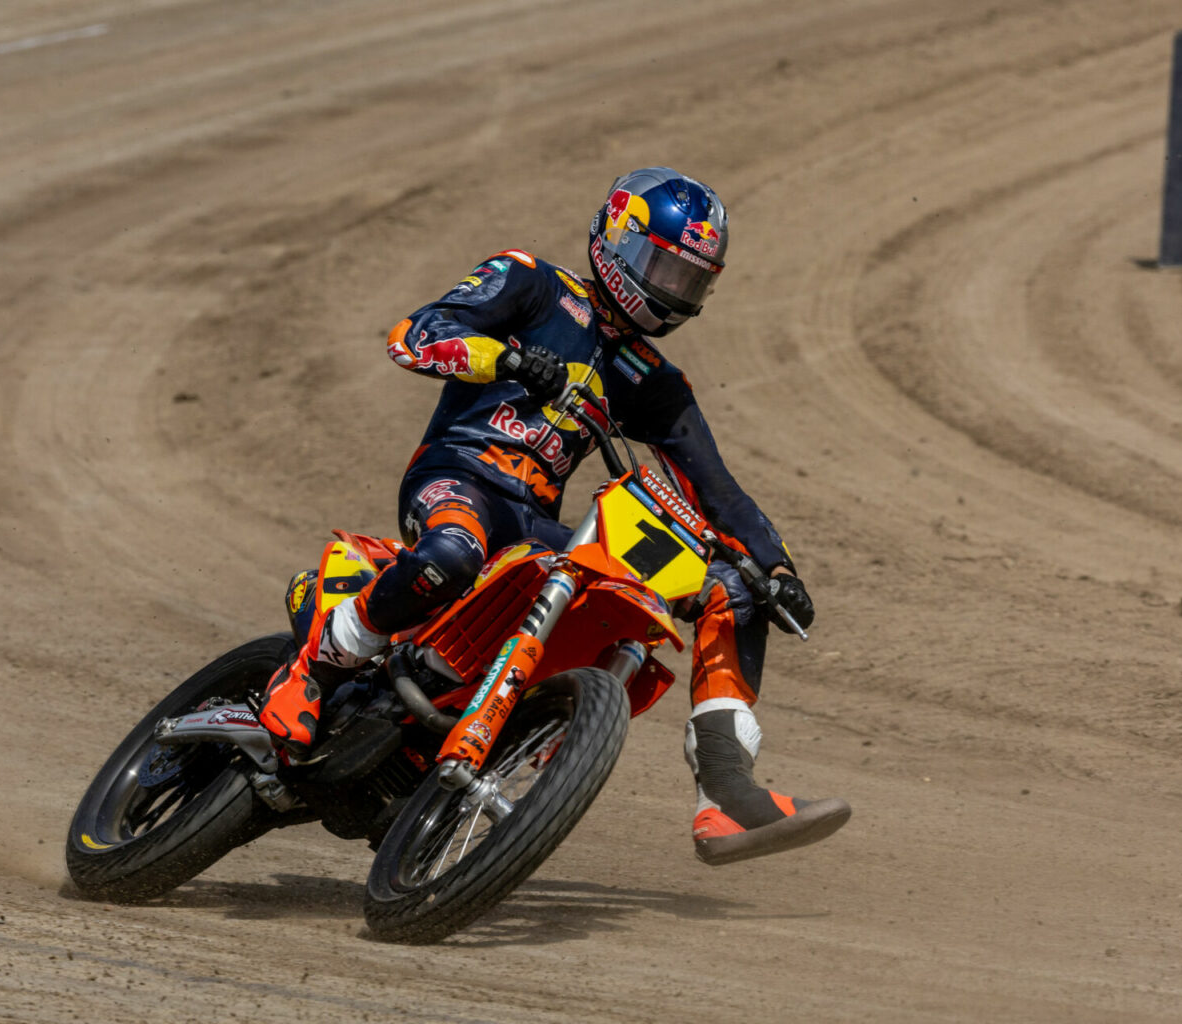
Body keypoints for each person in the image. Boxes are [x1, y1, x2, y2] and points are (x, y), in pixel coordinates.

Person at [254, 167, 850, 863]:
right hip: (458, 478)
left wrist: (775, 566)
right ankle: (314, 670)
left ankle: (724, 787)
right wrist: (502, 356)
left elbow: (718, 490)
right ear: (618, 245)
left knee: (731, 588)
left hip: (530, 523)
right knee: (451, 554)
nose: (672, 292)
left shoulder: (651, 379)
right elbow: (414, 336)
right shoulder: (532, 282)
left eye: (692, 281)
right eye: (663, 267)